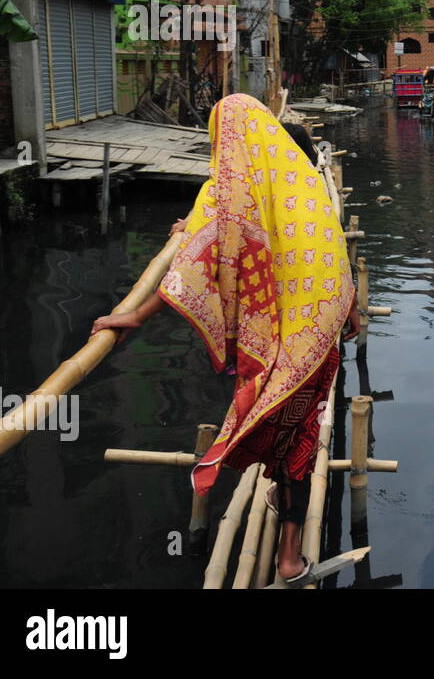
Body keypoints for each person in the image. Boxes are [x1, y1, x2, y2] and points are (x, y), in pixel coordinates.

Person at [91, 94, 359, 587]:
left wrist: (135, 315)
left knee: (279, 433)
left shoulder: (231, 195)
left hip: (276, 343)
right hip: (317, 336)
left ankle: (283, 550)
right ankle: (290, 558)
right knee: (299, 439)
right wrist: (352, 313)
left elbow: (193, 263)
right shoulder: (302, 184)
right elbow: (331, 255)